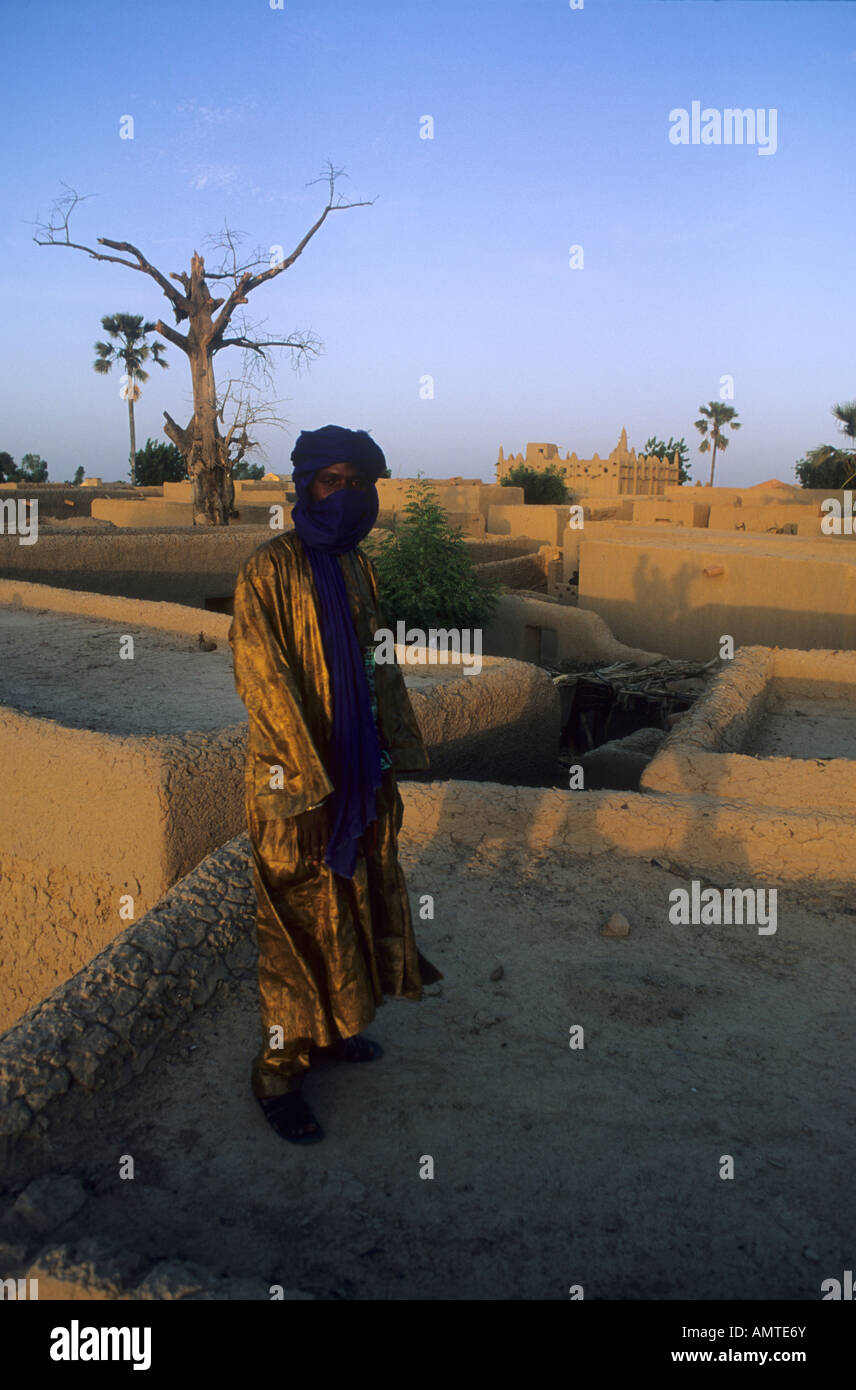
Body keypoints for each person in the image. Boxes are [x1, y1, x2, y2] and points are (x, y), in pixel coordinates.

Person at [228, 424, 440, 1143]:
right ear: (305, 485)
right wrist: (307, 789)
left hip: (358, 776)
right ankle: (278, 1067)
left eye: (359, 483)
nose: (346, 497)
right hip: (298, 789)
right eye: (332, 481)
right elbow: (266, 685)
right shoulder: (266, 571)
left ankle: (339, 1026)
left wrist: (387, 761)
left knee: (353, 900)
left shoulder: (358, 569)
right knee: (293, 922)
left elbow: (380, 671)